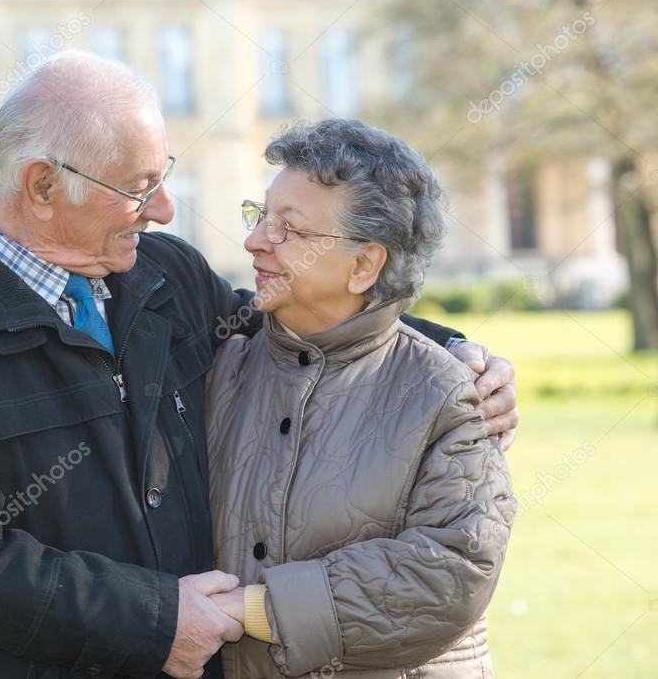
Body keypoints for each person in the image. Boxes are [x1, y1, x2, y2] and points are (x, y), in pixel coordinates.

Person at [0, 52, 519, 679]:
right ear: (42, 185)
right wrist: (157, 617)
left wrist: (450, 350)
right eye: (140, 188)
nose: (163, 211)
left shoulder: (164, 275)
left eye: (163, 177)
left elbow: (298, 324)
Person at [204, 120, 516, 677]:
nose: (254, 241)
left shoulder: (449, 395)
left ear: (364, 265)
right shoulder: (218, 364)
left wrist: (256, 609)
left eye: (289, 230)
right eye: (260, 217)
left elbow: (449, 572)